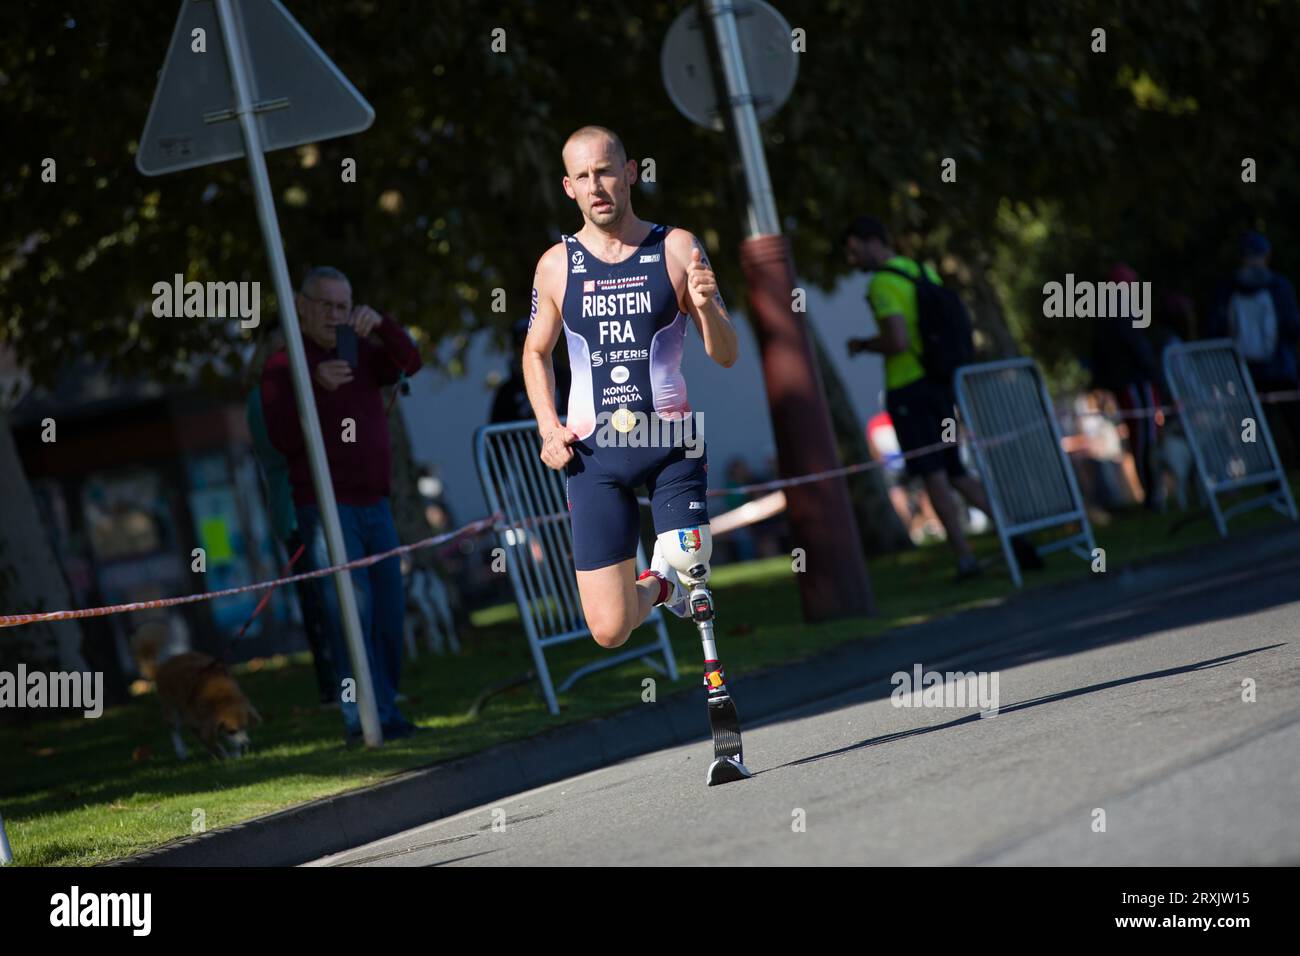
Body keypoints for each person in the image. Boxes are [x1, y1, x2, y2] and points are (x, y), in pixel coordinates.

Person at [523, 124, 739, 659]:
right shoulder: (556, 265)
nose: (596, 186)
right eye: (582, 177)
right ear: (568, 187)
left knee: (695, 561)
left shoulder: (677, 246)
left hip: (671, 440)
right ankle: (660, 586)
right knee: (609, 628)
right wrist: (549, 426)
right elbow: (535, 352)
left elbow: (727, 354)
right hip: (595, 453)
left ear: (630, 173)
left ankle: (695, 620)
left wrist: (709, 306)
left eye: (605, 172)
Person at [259, 265, 423, 744]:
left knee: (390, 612)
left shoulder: (361, 352)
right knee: (350, 615)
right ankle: (361, 719)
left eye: (343, 306)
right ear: (302, 307)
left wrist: (383, 324)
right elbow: (281, 440)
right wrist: (313, 388)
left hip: (376, 504)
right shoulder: (284, 367)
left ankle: (387, 711)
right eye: (326, 306)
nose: (335, 316)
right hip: (326, 510)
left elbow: (410, 362)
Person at [842, 215, 1040, 580]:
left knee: (931, 473)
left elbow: (898, 340)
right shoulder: (920, 271)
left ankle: (964, 558)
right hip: (941, 384)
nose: (854, 261)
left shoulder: (883, 284)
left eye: (855, 252)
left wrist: (863, 344)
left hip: (910, 390)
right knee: (956, 471)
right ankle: (1014, 536)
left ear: (872, 242)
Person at [245, 333, 336, 705]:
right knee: (318, 599)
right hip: (298, 509)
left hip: (304, 506)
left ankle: (339, 680)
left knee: (322, 597)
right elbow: (283, 448)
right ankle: (332, 683)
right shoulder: (265, 398)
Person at [1208, 231, 1300, 460]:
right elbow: (1292, 326)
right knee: (1293, 418)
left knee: (1253, 426)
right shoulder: (1279, 286)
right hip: (1280, 368)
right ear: (1266, 255)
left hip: (1245, 371)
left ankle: (1260, 467)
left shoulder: (1227, 288)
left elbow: (1217, 328)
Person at [490, 318, 570, 424]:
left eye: (536, 340)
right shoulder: (506, 393)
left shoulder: (568, 379)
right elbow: (497, 434)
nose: (529, 348)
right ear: (514, 349)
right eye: (522, 343)